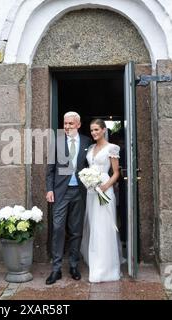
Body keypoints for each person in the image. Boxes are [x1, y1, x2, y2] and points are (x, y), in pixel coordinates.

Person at [45, 111, 92, 285]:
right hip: (60, 193)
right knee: (57, 228)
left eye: (70, 124)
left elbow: (91, 166)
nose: (67, 127)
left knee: (76, 230)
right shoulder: (56, 142)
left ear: (78, 125)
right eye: (65, 124)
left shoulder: (87, 142)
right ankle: (56, 269)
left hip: (80, 192)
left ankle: (73, 265)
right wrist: (49, 189)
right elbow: (50, 169)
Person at [80, 118, 124, 283]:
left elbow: (116, 173)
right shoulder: (91, 148)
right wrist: (87, 180)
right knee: (93, 225)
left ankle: (105, 268)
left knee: (104, 227)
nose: (94, 133)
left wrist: (106, 186)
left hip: (105, 189)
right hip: (92, 191)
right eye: (92, 130)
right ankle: (95, 261)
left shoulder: (112, 148)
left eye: (97, 129)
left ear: (104, 129)